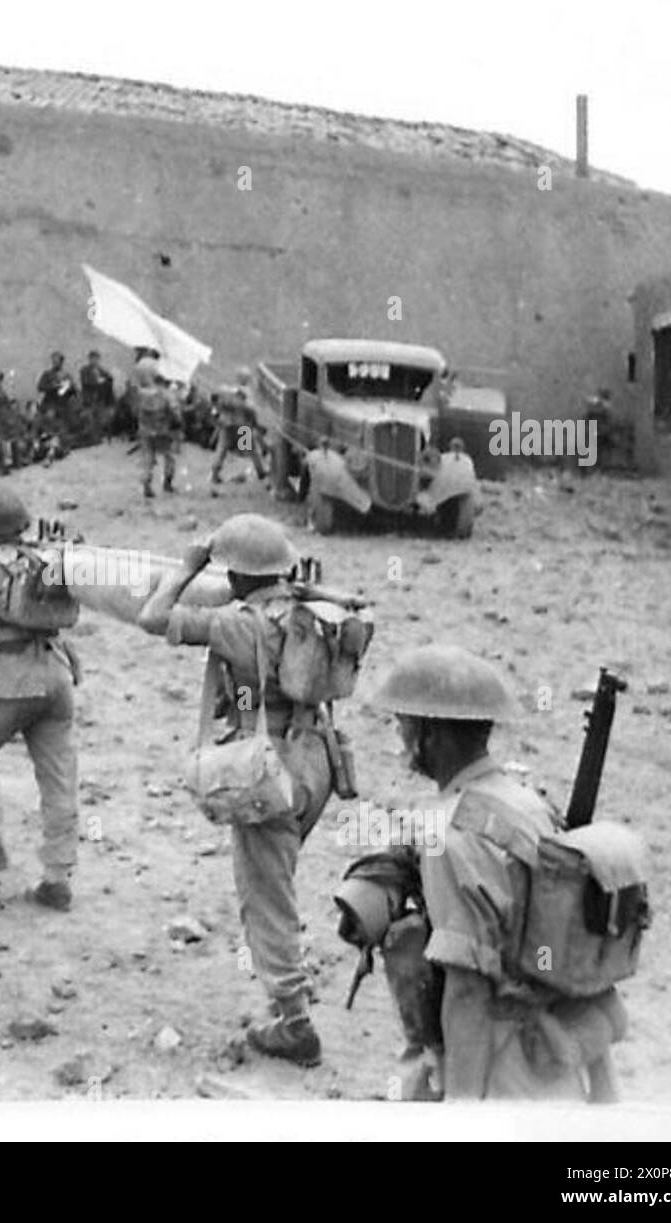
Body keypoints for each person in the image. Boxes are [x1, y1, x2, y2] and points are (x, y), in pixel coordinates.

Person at [365, 644, 630, 1100]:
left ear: (431, 733)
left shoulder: (449, 834)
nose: (400, 735)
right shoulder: (529, 804)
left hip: (498, 1069)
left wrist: (464, 1111)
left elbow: (468, 989)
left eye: (405, 723)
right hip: (555, 1060)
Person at [137, 514, 338, 1065]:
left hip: (269, 767)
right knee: (281, 877)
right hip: (318, 757)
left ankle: (294, 1023)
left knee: (264, 896)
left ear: (238, 576)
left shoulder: (241, 622)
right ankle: (289, 972)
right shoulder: (306, 609)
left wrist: (186, 567)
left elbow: (153, 616)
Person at [0, 483, 82, 910]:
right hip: (57, 676)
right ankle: (58, 877)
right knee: (59, 779)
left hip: (11, 681)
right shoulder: (46, 559)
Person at [211, 367, 268, 489]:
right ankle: (260, 472)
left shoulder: (226, 391)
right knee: (251, 450)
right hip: (243, 426)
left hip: (226, 425)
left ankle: (215, 474)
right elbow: (250, 410)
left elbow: (215, 406)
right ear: (247, 379)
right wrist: (255, 424)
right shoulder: (245, 393)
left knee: (221, 450)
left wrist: (219, 419)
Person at [132, 356, 178, 498]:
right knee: (169, 457)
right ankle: (167, 483)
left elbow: (134, 411)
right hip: (163, 430)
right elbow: (174, 411)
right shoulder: (164, 394)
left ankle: (146, 483)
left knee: (148, 458)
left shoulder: (138, 393)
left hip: (145, 430)